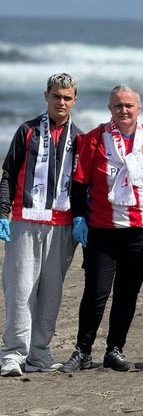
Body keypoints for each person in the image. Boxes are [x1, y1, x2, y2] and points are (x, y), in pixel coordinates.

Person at [58, 86, 143, 373]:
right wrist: (79, 218)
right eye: (118, 106)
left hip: (141, 230)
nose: (124, 110)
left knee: (128, 293)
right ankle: (82, 350)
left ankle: (115, 349)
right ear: (110, 109)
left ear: (138, 108)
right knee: (96, 292)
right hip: (102, 229)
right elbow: (78, 184)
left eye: (129, 105)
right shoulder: (94, 139)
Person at [0, 73, 81, 377]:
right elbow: (8, 173)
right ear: (46, 96)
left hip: (62, 226)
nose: (61, 102)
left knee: (51, 293)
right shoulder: (28, 131)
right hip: (24, 221)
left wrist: (82, 218)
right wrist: (2, 213)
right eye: (56, 96)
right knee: (20, 290)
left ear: (74, 100)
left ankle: (39, 354)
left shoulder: (79, 137)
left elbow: (81, 184)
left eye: (67, 97)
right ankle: (12, 354)